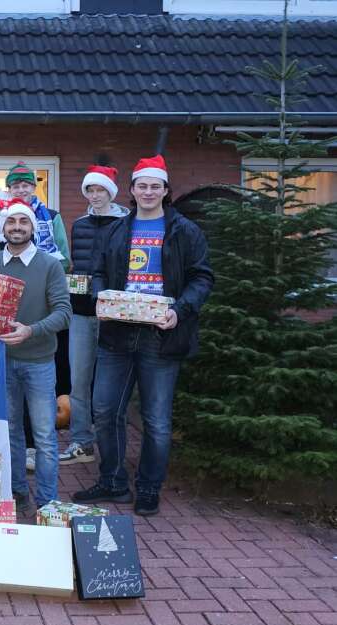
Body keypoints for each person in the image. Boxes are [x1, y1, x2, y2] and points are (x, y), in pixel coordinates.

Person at [73, 155, 213, 517]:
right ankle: (113, 481)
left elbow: (202, 277)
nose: (148, 191)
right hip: (118, 335)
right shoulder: (117, 229)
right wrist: (100, 297)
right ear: (132, 190)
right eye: (142, 185)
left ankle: (149, 487)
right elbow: (98, 271)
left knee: (156, 419)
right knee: (104, 410)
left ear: (166, 190)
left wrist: (178, 311)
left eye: (156, 186)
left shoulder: (184, 230)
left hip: (161, 336)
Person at [0, 198, 71, 519]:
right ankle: (18, 493)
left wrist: (31, 330)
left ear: (33, 227)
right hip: (0, 363)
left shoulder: (50, 265)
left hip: (39, 362)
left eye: (23, 222)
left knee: (45, 435)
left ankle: (47, 501)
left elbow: (64, 313)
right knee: (10, 433)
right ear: (1, 228)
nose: (17, 227)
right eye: (11, 222)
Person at [59, 165, 130, 466]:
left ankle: (112, 447)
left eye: (101, 190)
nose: (95, 195)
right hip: (82, 313)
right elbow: (79, 268)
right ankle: (81, 442)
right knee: (79, 382)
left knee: (110, 385)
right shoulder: (79, 224)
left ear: (111, 193)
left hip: (114, 315)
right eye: (90, 190)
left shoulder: (127, 224)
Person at [0, 162, 70, 269]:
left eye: (25, 186)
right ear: (9, 190)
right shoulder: (2, 217)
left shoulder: (52, 216)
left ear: (33, 188)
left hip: (44, 278)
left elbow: (64, 258)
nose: (21, 190)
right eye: (16, 187)